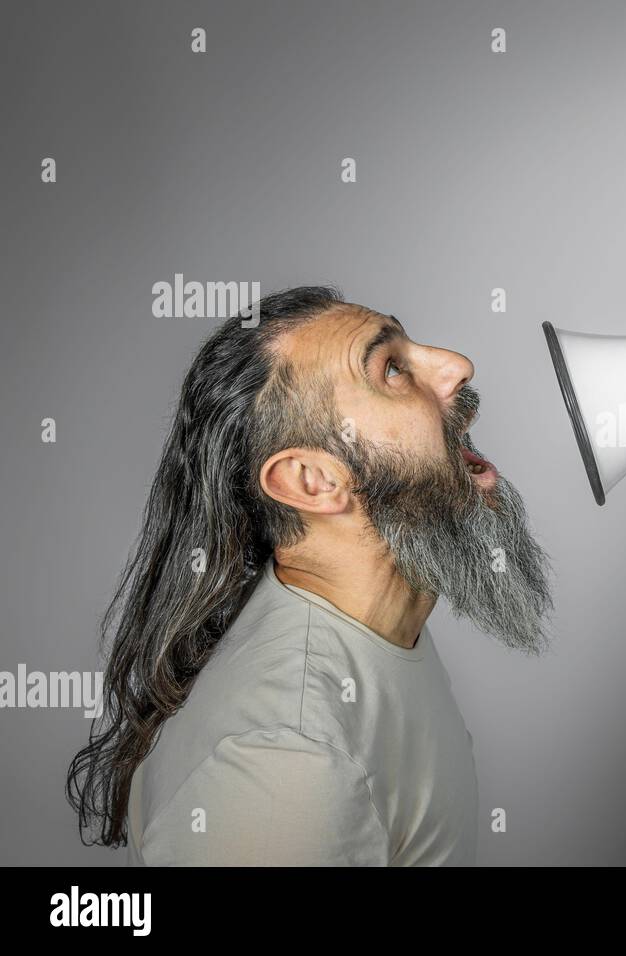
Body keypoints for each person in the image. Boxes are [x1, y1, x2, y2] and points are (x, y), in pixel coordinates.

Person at [66, 286, 553, 865]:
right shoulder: (286, 755)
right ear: (311, 481)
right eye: (391, 367)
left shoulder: (378, 633)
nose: (456, 366)